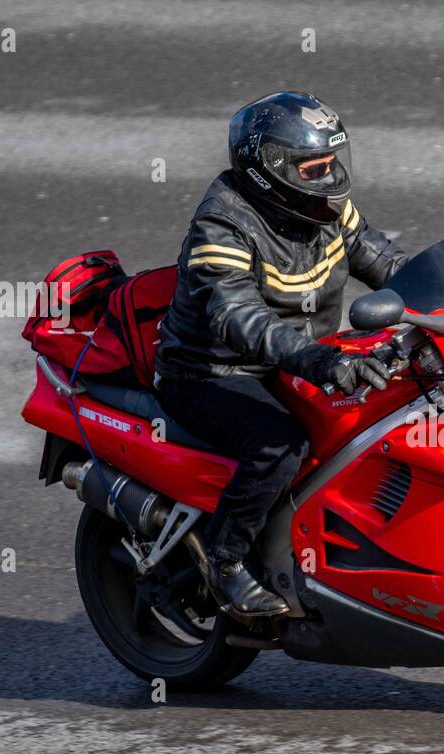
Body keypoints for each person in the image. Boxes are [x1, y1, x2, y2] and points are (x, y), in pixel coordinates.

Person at [155, 91, 408, 616]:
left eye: (331, 162)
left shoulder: (325, 206)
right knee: (279, 444)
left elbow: (382, 260)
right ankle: (225, 564)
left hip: (298, 359)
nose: (329, 176)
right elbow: (237, 318)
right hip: (214, 371)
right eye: (313, 167)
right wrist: (321, 362)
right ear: (270, 171)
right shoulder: (223, 223)